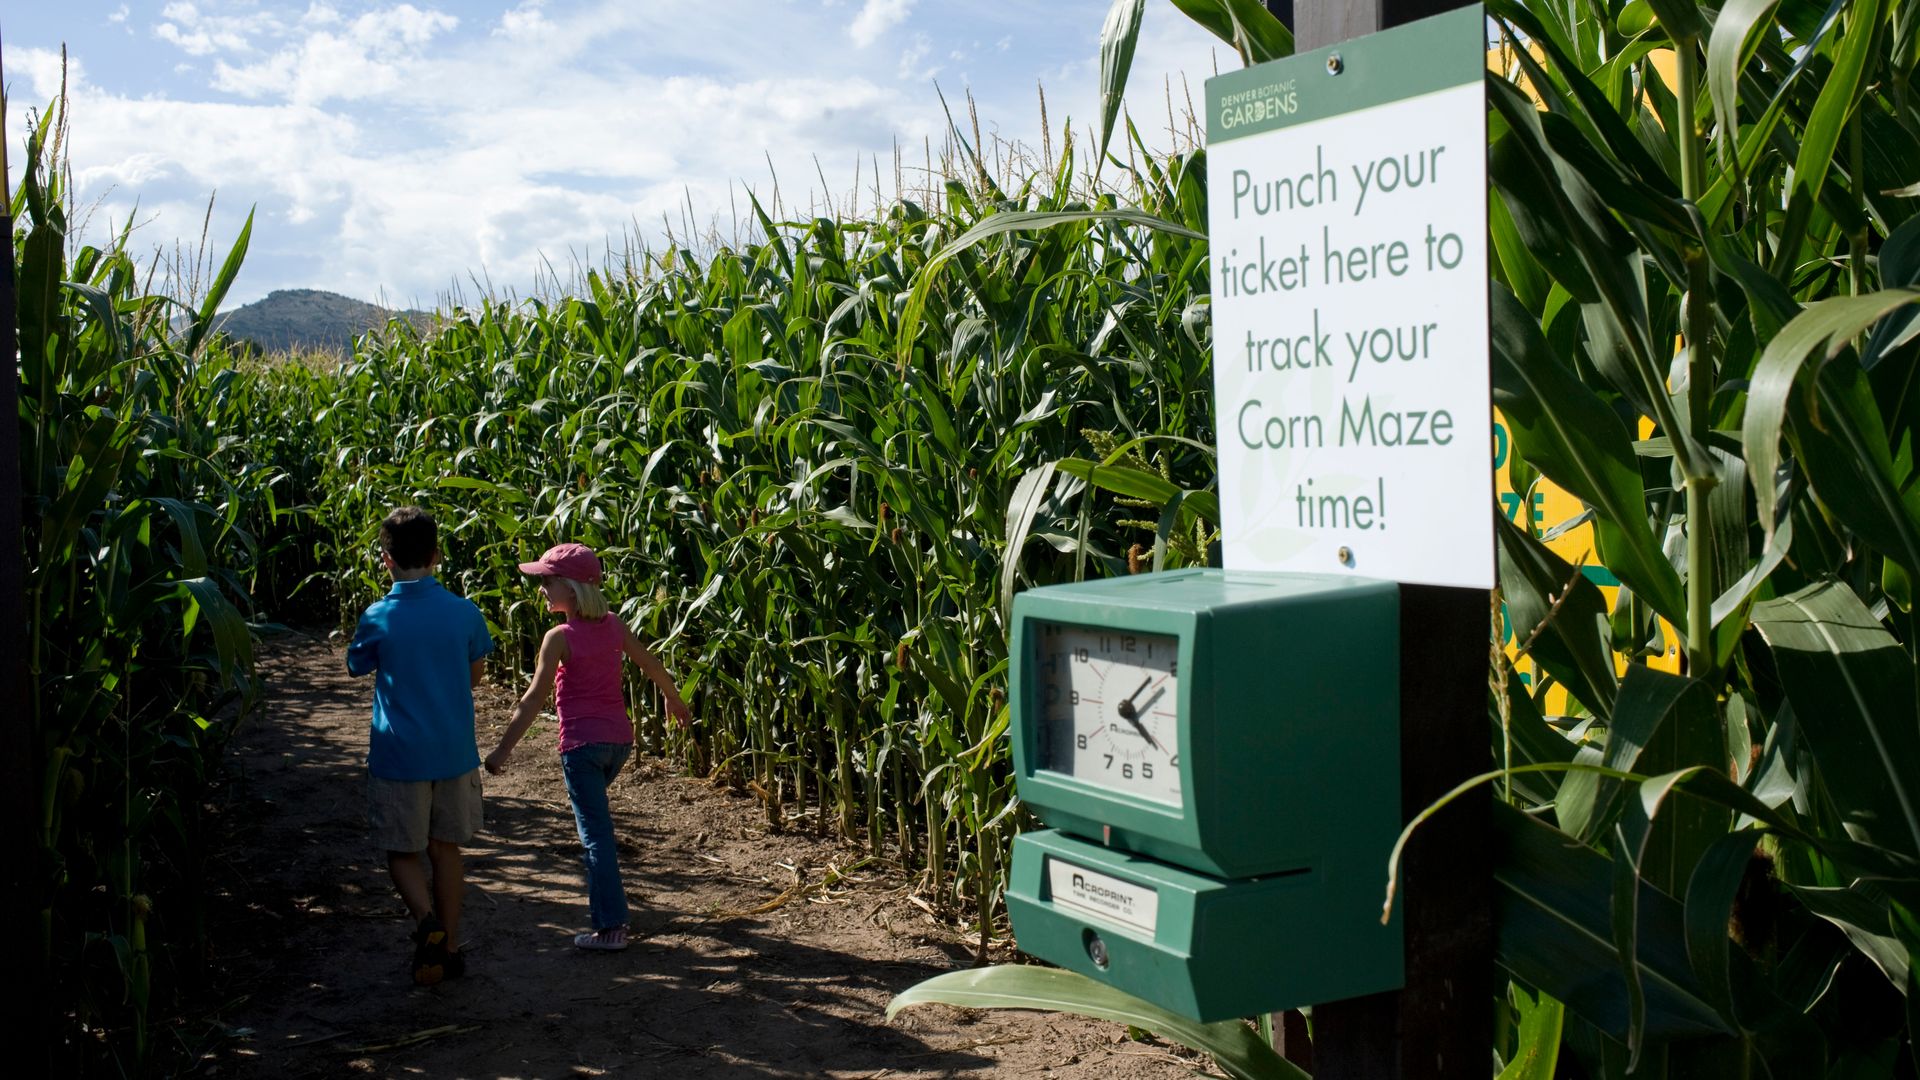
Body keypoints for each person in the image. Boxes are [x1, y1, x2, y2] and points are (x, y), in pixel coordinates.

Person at [485, 542, 692, 951]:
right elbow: (649, 663)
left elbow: (532, 699)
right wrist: (673, 697)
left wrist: (501, 752)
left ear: (572, 587)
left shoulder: (558, 637)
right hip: (618, 743)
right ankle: (610, 909)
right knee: (598, 827)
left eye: (547, 581)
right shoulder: (613, 625)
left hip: (581, 748)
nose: (541, 589)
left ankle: (611, 927)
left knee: (596, 835)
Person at [346, 506, 494, 986]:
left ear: (385, 560)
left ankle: (425, 922)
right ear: (437, 555)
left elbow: (357, 665)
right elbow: (474, 675)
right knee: (444, 847)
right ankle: (449, 946)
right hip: (453, 752)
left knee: (400, 850)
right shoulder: (464, 612)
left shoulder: (377, 616)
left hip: (399, 754)